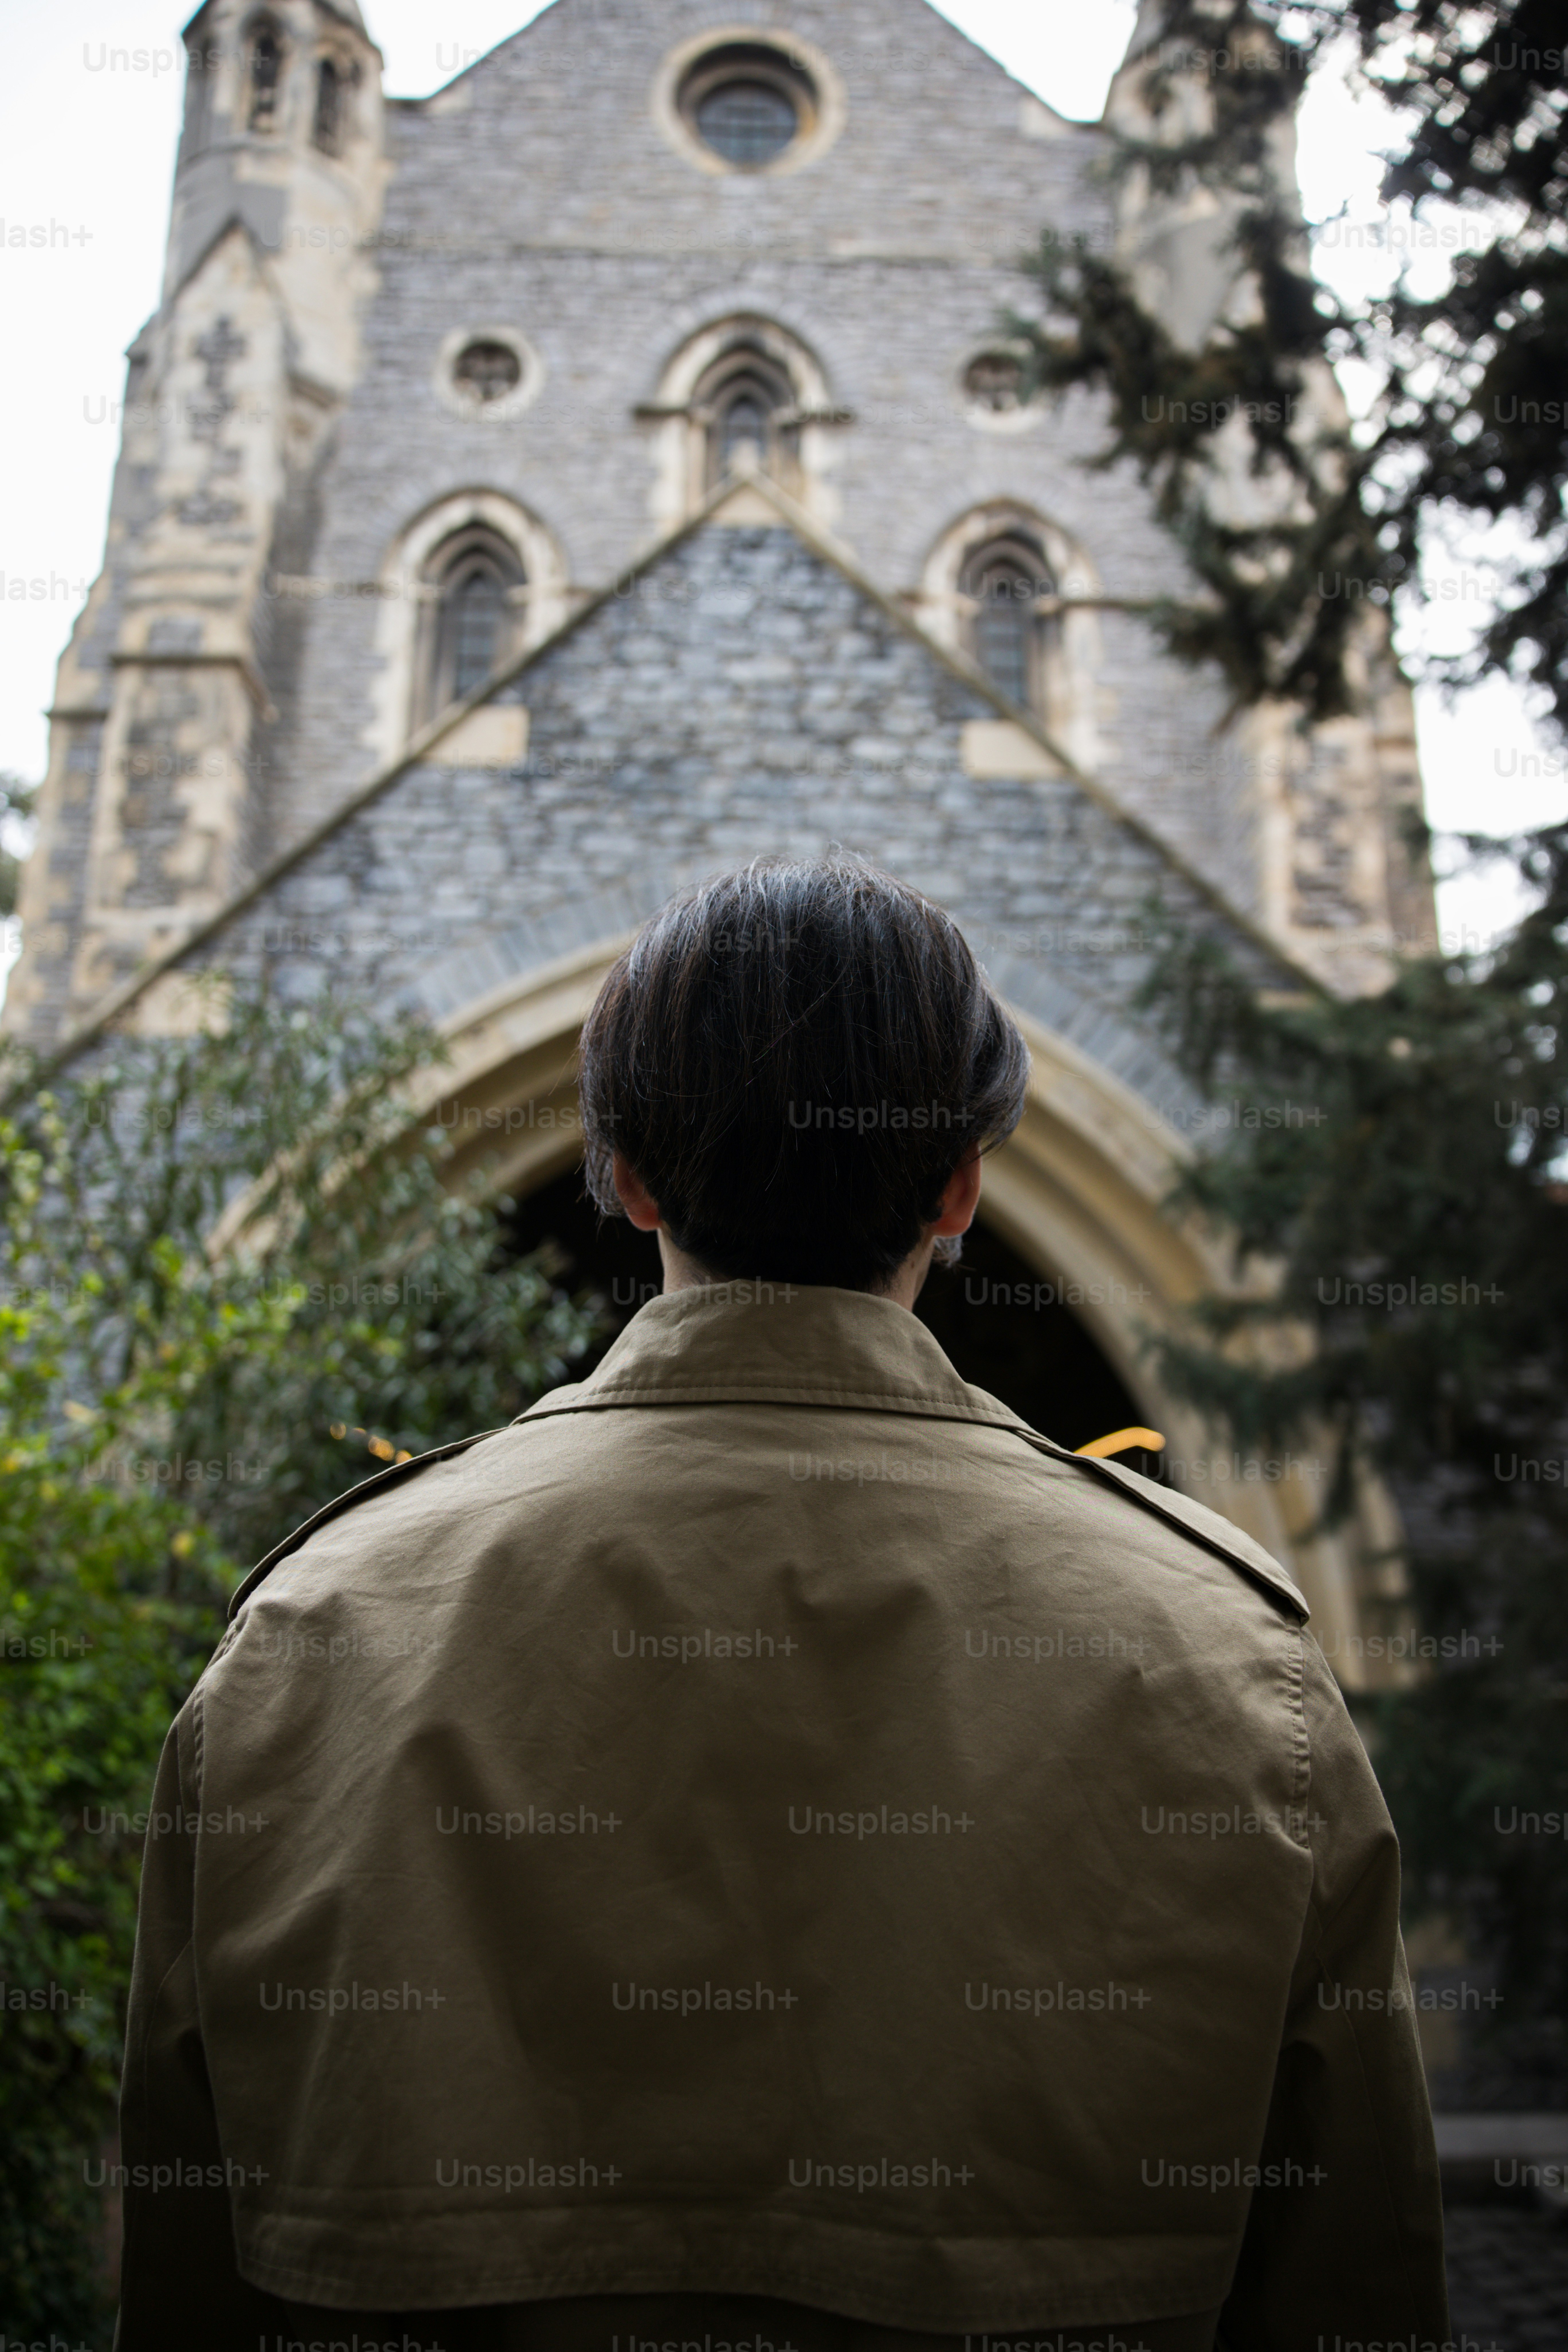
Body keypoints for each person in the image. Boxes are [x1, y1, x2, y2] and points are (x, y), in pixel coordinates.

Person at [116, 855, 1448, 2351]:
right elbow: (1356, 2283)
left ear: (623, 1176)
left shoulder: (310, 1639)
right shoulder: (1232, 1664)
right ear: (963, 1182)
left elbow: (179, 2270)